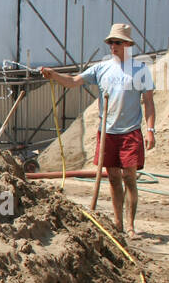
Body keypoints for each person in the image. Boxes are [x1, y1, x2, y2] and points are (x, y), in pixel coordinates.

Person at [41, 23, 156, 237]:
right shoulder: (101, 68)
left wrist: (150, 130)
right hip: (108, 131)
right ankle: (118, 223)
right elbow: (74, 81)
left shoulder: (140, 70)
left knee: (129, 177)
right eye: (111, 42)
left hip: (130, 131)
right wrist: (54, 75)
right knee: (112, 177)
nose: (113, 45)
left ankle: (130, 225)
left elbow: (148, 102)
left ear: (128, 44)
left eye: (118, 42)